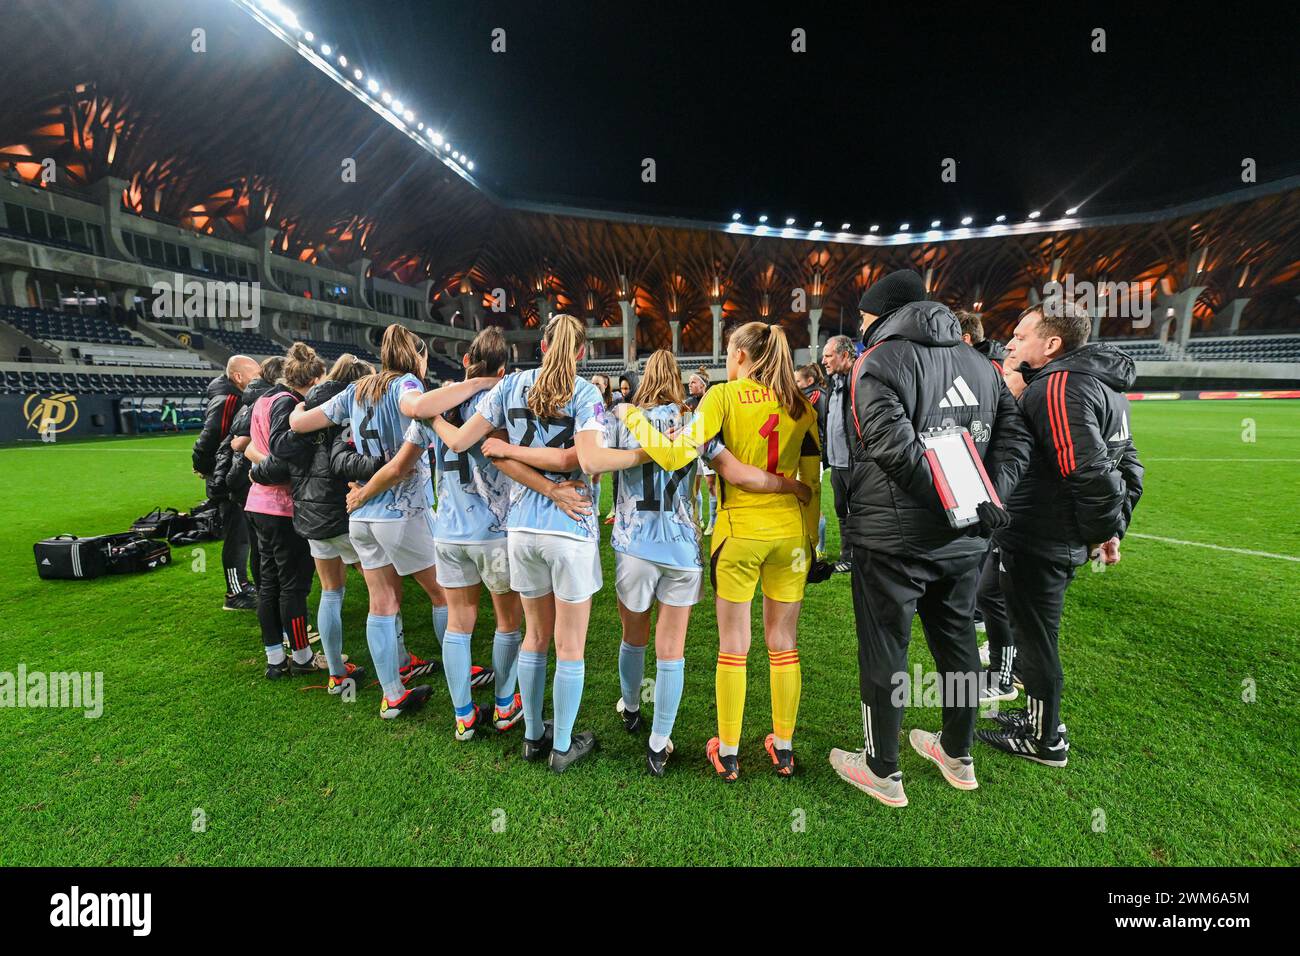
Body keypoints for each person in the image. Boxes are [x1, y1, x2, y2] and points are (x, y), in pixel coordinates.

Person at [828, 270, 1031, 808]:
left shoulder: (878, 361)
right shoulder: (982, 363)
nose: (863, 329)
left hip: (892, 541)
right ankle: (958, 753)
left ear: (882, 316)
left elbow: (893, 449)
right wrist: (985, 499)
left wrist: (960, 499)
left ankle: (881, 769)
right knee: (958, 643)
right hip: (965, 541)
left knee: (885, 651)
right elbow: (1015, 440)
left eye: (866, 320)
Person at [618, 322, 821, 782]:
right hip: (789, 535)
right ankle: (783, 749)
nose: (727, 361)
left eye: (730, 352)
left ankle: (728, 752)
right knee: (784, 644)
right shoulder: (800, 405)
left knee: (735, 645)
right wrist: (810, 545)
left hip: (739, 533)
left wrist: (631, 417)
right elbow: (812, 485)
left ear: (743, 357)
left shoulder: (723, 397)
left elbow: (673, 456)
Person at [362, 327, 589, 739]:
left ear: (466, 361)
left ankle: (463, 715)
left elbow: (403, 458)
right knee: (508, 624)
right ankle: (505, 705)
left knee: (458, 623)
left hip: (447, 532)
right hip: (494, 530)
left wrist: (363, 492)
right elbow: (500, 454)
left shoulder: (438, 407)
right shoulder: (497, 401)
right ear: (503, 368)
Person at [425, 314, 605, 772]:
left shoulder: (512, 385)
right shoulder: (586, 392)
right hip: (572, 524)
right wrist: (548, 481)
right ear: (581, 353)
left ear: (542, 345)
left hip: (521, 529)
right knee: (570, 644)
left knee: (535, 636)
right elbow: (577, 458)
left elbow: (469, 441)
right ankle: (562, 745)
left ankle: (531, 737)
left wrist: (502, 447)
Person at [290, 325, 497, 718]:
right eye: (423, 358)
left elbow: (299, 425)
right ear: (416, 356)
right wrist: (483, 383)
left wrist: (296, 407)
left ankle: (392, 695)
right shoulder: (405, 384)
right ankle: (463, 675)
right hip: (402, 512)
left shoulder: (356, 389)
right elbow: (417, 410)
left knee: (381, 604)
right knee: (444, 596)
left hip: (362, 518)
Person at [977, 302, 1143, 766]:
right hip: (1057, 535)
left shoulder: (1058, 386)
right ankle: (1036, 718)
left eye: (1021, 334)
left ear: (1052, 345)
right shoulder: (1105, 387)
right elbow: (1129, 467)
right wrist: (1112, 530)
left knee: (1036, 639)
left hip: (1041, 536)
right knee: (1007, 607)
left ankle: (1044, 739)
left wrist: (1100, 533)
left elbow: (1090, 474)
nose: (1010, 342)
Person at [250, 353, 381, 694]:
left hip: (309, 518)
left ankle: (336, 674)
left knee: (331, 593)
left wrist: (254, 466)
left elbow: (279, 454)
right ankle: (396, 670)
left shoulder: (302, 412)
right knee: (382, 595)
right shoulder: (342, 410)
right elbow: (344, 463)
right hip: (341, 514)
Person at [241, 343, 328, 679]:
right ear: (315, 376)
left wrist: (257, 465)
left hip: (259, 503)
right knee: (293, 585)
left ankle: (275, 659)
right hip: (281, 506)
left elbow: (253, 447)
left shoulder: (263, 399)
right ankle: (302, 656)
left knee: (271, 584)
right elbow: (281, 458)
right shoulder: (288, 404)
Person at [954, 310, 1016, 701]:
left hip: (996, 500)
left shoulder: (990, 371)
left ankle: (1006, 673)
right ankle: (1003, 660)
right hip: (992, 498)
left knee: (998, 591)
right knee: (992, 588)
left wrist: (995, 492)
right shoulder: (992, 368)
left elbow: (1012, 439)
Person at [192, 353, 260, 610]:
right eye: (254, 375)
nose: (258, 380)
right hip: (227, 479)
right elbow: (210, 438)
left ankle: (241, 585)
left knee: (243, 532)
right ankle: (235, 592)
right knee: (237, 533)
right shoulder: (228, 400)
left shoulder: (233, 397)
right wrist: (205, 468)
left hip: (232, 475)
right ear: (238, 377)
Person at [820, 334, 857, 572]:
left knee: (859, 514)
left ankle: (860, 558)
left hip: (855, 464)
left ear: (844, 355)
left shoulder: (861, 381)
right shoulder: (834, 382)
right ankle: (848, 557)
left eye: (828, 355)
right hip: (836, 463)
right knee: (841, 512)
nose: (823, 360)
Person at [796, 363, 830, 557]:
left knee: (811, 501)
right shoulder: (810, 395)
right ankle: (814, 545)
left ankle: (820, 548)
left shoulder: (815, 395)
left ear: (809, 381)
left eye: (798, 381)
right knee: (805, 500)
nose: (795, 384)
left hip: (814, 456)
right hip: (807, 455)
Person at [686, 371, 718, 534]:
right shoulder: (687, 403)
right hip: (692, 451)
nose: (690, 385)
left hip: (708, 449)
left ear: (702, 385)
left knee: (711, 485)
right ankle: (698, 520)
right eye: (690, 382)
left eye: (693, 382)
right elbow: (685, 427)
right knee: (694, 488)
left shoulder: (711, 401)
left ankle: (714, 522)